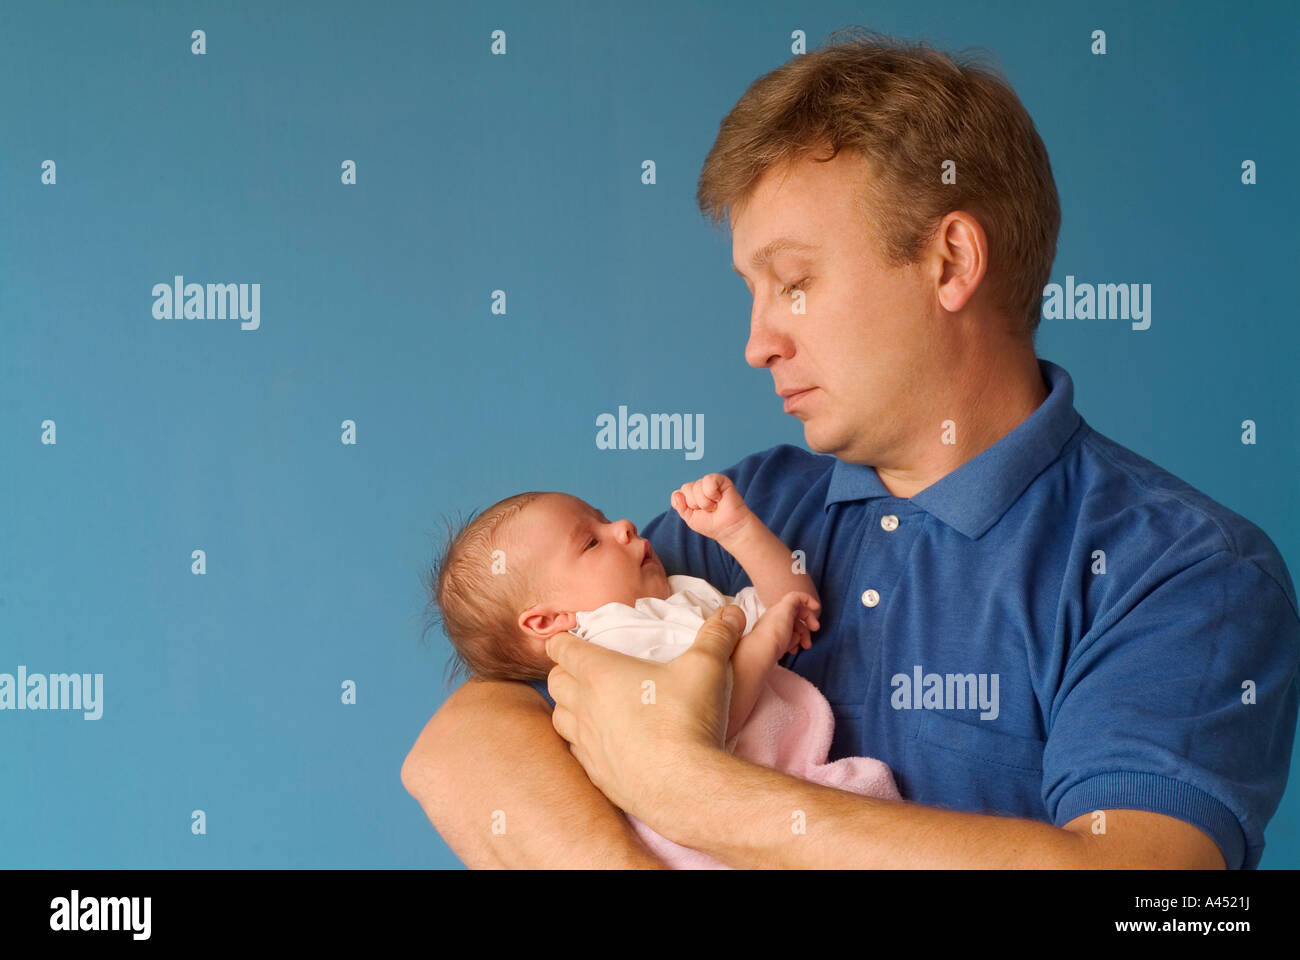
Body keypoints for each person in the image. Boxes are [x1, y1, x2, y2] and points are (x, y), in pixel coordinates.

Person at [402, 30, 1299, 868]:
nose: (756, 343)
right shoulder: (750, 506)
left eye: (794, 283)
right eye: (753, 291)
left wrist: (688, 786)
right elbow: (462, 743)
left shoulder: (1184, 574)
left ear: (950, 261)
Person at [423, 475, 899, 868]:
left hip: (782, 793)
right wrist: (766, 641)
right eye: (591, 542)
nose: (624, 527)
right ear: (549, 622)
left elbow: (795, 608)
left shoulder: (676, 596)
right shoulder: (613, 644)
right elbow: (706, 723)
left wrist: (739, 532)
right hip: (703, 838)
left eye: (604, 519)